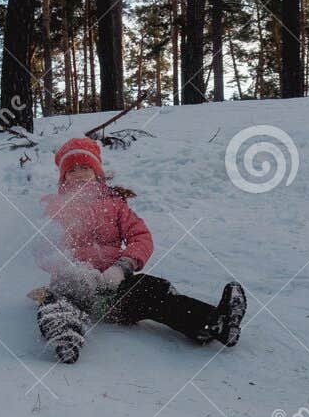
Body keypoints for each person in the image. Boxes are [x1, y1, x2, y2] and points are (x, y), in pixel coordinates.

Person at [35, 137, 245, 364]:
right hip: (76, 283)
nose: (79, 174)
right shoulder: (55, 207)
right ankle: (65, 337)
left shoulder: (114, 203)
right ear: (63, 177)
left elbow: (141, 237)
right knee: (57, 297)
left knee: (151, 290)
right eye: (72, 170)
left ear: (97, 173)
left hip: (113, 291)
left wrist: (123, 267)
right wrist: (71, 269)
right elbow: (43, 246)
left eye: (85, 167)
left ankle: (214, 323)